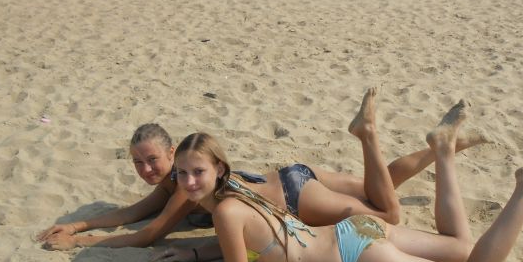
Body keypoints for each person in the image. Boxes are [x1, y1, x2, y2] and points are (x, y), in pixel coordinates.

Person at [129, 90, 523, 262]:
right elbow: (249, 245)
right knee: (462, 248)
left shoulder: (225, 212)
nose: (188, 181)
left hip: (355, 254)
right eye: (183, 174)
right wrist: (196, 253)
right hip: (355, 230)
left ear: (218, 170)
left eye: (197, 172)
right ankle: (443, 152)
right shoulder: (239, 194)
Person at [37, 98, 488, 251]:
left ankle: (375, 135)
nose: (146, 169)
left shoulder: (184, 187)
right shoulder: (185, 174)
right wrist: (78, 224)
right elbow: (131, 213)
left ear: (172, 152)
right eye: (138, 163)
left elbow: (148, 234)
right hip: (293, 174)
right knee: (381, 183)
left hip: (295, 198)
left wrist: (80, 244)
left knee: (386, 215)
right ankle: (444, 147)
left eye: (152, 160)